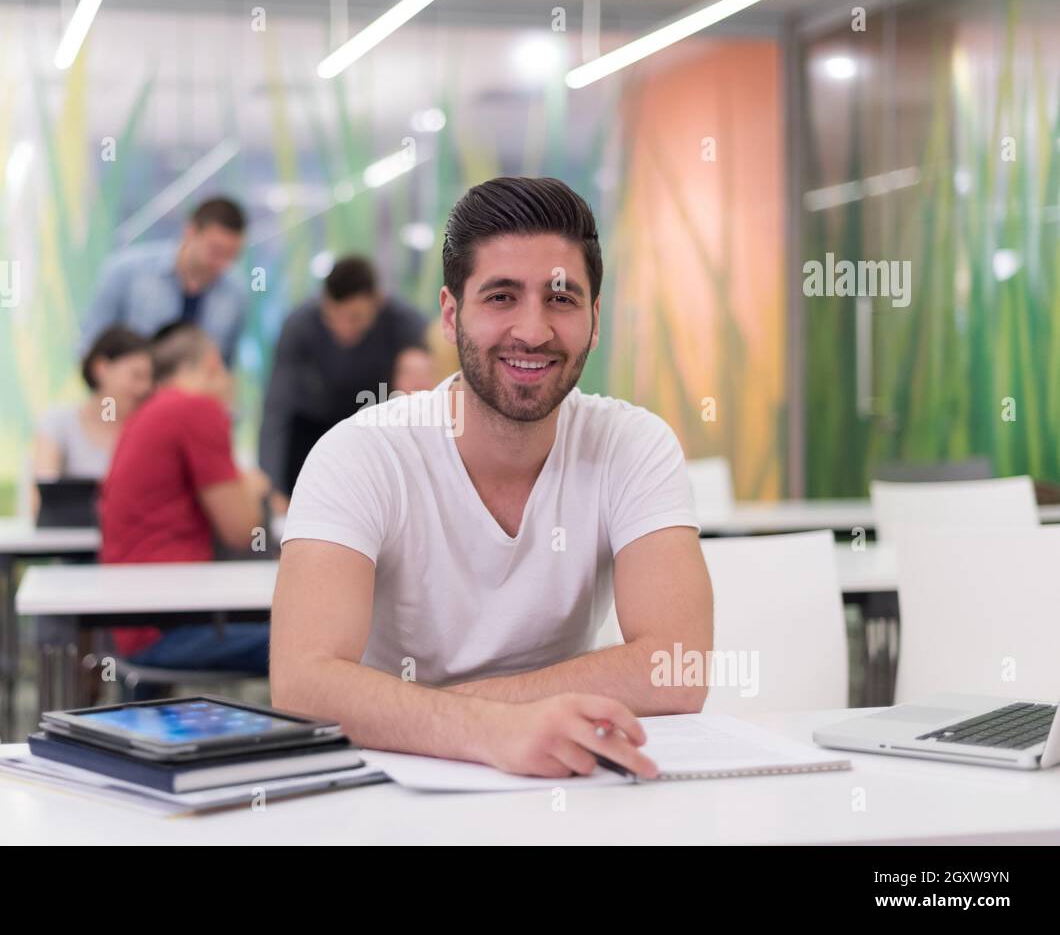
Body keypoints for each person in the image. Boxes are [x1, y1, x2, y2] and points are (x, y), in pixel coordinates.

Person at [269, 177, 714, 778]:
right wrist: (492, 730)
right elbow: (301, 686)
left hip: (565, 779)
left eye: (561, 298)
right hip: (388, 791)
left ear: (594, 316)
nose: (532, 330)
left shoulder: (632, 444)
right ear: (451, 315)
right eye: (502, 297)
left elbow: (678, 666)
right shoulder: (361, 454)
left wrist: (444, 713)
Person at [98, 325, 272, 673]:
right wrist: (252, 488)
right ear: (211, 364)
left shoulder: (148, 413)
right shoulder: (196, 410)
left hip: (136, 624)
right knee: (324, 642)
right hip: (171, 628)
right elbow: (242, 530)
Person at [258, 256, 430, 503]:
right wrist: (272, 486)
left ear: (377, 301)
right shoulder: (299, 325)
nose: (343, 329)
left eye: (355, 318)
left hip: (379, 428)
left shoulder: (407, 324)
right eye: (333, 318)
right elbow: (277, 408)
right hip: (314, 429)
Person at [79, 197, 249, 367]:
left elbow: (226, 365)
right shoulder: (126, 271)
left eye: (232, 255)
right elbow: (90, 346)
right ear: (190, 232)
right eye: (216, 251)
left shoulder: (235, 294)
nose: (223, 263)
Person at [33, 327, 153, 485]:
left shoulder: (147, 430)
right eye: (136, 376)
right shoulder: (59, 421)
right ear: (101, 368)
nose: (144, 388)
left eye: (149, 379)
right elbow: (44, 490)